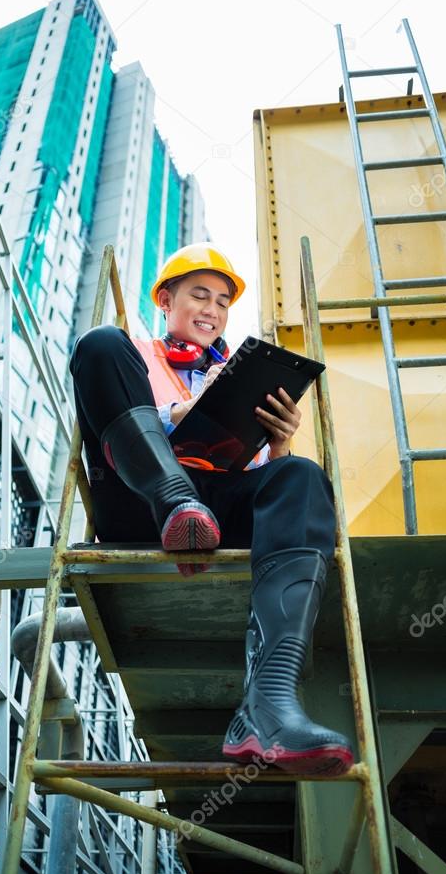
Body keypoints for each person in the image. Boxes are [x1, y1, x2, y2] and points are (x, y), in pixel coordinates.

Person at [69, 243, 353, 776]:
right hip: (141, 500)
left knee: (302, 475)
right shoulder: (134, 354)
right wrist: (180, 411)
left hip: (216, 508)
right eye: (199, 295)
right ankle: (176, 504)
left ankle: (268, 705)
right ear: (165, 299)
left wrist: (280, 442)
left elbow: (263, 476)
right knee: (98, 342)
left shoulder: (240, 372)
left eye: (223, 302)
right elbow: (105, 410)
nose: (212, 310)